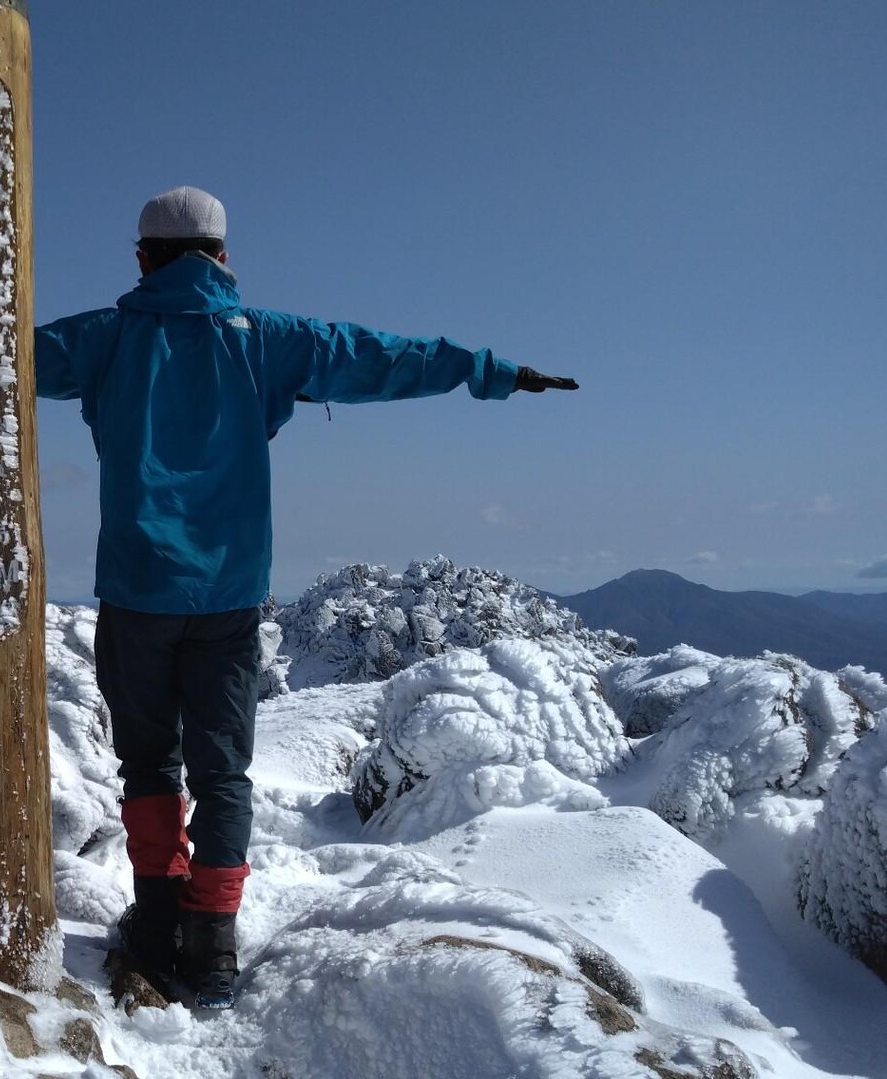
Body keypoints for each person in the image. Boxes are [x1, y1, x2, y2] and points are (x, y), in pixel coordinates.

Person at [32, 186, 577, 1009]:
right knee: (223, 773)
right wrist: (490, 372)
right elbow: (382, 355)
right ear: (220, 255)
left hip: (138, 593)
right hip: (229, 595)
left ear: (143, 258)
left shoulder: (101, 337)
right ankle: (212, 942)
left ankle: (152, 924)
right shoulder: (273, 342)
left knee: (150, 762)